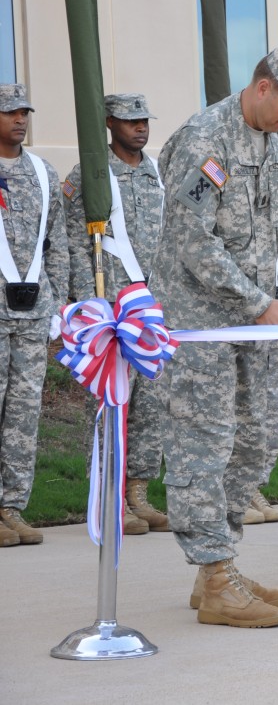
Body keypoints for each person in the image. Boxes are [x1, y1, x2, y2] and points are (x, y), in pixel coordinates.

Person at [153, 41, 278, 628]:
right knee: (204, 442)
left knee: (255, 440)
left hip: (263, 317)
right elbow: (192, 240)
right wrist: (258, 302)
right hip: (201, 316)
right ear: (264, 87)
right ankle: (213, 572)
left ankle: (220, 565)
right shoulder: (205, 139)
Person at [63, 92, 169, 536]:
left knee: (154, 403)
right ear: (109, 123)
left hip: (154, 303)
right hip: (114, 305)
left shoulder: (157, 171)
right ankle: (109, 494)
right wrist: (91, 305)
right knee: (114, 400)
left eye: (144, 119)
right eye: (130, 121)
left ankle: (139, 493)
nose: (140, 127)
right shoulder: (90, 174)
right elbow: (74, 242)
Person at [0, 83, 69, 548]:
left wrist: (60, 303)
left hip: (33, 311)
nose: (19, 120)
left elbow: (58, 244)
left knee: (24, 414)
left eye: (24, 112)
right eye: (9, 113)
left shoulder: (44, 174)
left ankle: (12, 507)